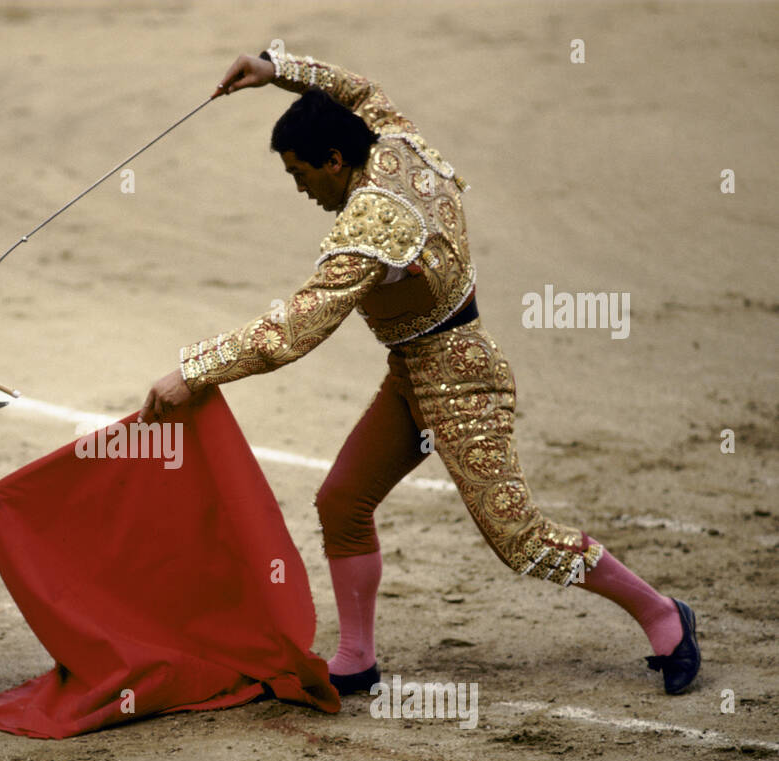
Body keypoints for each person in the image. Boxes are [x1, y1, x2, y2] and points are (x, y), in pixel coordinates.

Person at [139, 48, 700, 696]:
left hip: (463, 380)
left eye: (301, 174)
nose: (299, 189)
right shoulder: (391, 137)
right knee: (343, 502)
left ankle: (665, 616)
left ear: (334, 162)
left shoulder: (374, 225)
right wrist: (275, 66)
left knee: (519, 537)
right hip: (414, 370)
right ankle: (356, 657)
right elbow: (355, 87)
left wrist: (197, 370)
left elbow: (296, 328)